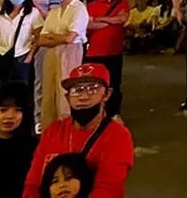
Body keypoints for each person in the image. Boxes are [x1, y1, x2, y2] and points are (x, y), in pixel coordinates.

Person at [23, 63, 135, 198]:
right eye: (77, 90)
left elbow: (109, 188)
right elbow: (33, 183)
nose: (83, 97)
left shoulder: (118, 135)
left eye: (92, 89)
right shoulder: (53, 131)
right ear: (67, 97)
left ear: (107, 94)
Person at [34, 0, 88, 131]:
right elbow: (42, 38)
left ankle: (68, 130)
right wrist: (57, 38)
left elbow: (70, 38)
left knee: (65, 91)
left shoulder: (79, 9)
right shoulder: (54, 10)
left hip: (70, 54)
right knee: (49, 92)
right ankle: (50, 130)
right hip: (51, 52)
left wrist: (53, 36)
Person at [84, 0, 129, 118]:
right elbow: (87, 24)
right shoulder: (91, 5)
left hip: (114, 51)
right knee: (93, 84)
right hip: (94, 52)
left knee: (114, 84)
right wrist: (110, 21)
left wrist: (99, 19)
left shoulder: (122, 4)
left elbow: (122, 19)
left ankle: (113, 113)